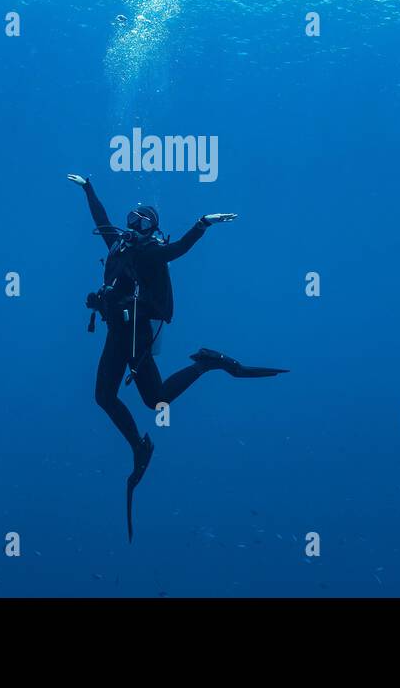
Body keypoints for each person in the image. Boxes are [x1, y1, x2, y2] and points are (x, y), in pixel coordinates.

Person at [67, 173, 287, 540]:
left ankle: (207, 363)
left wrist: (202, 224)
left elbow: (180, 248)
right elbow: (99, 216)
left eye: (145, 222)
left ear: (154, 228)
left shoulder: (153, 252)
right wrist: (89, 187)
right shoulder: (118, 245)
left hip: (135, 336)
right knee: (104, 396)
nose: (135, 226)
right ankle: (139, 446)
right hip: (116, 334)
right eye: (133, 219)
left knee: (157, 401)